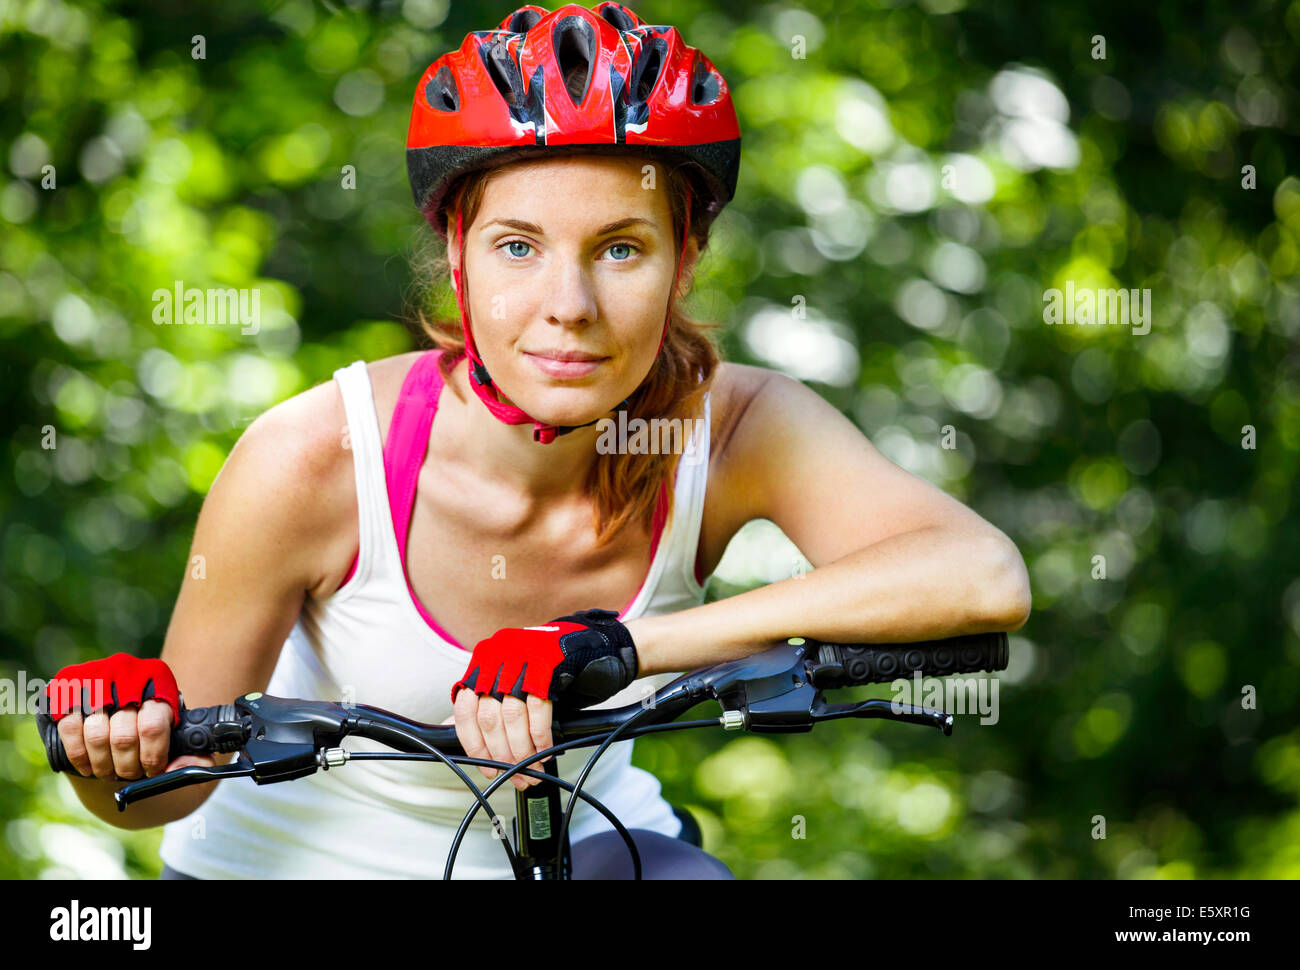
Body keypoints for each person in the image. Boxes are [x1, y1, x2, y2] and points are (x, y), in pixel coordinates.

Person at [42, 2, 1031, 880]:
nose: (569, 306)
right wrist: (111, 752)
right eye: (518, 246)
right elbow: (170, 790)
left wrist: (614, 645)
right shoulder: (317, 458)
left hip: (588, 849)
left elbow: (980, 574)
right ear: (458, 260)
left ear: (686, 259)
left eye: (621, 248)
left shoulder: (732, 429)